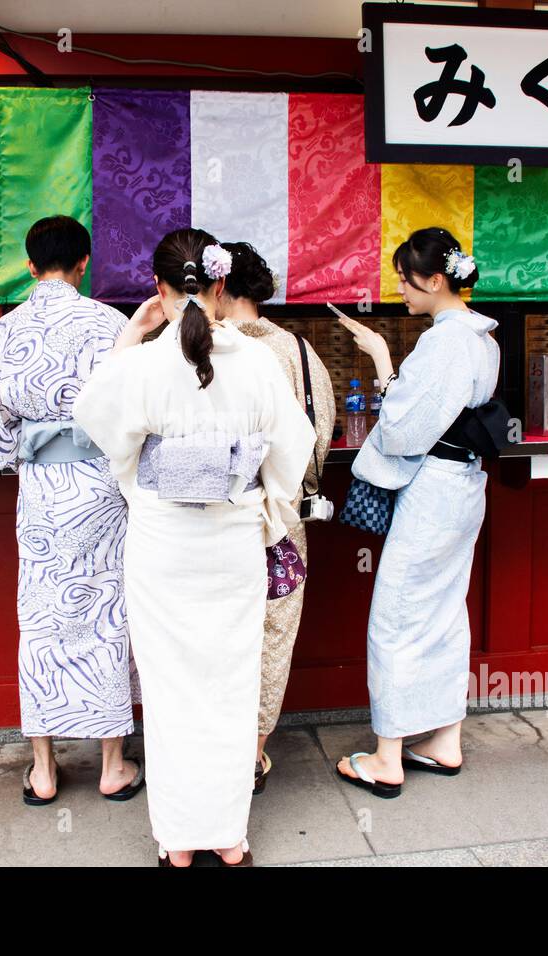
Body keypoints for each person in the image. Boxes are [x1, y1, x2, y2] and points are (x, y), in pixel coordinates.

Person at [74, 228, 315, 866]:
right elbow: (291, 457)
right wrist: (263, 509)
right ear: (219, 284)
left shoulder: (145, 365)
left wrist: (133, 332)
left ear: (160, 289)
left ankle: (177, 841)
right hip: (232, 543)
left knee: (171, 689)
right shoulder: (258, 363)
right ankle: (229, 837)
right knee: (231, 686)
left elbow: (99, 426)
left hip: (162, 547)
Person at [0, 216, 143, 805]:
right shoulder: (112, 325)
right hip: (103, 489)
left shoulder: (2, 334)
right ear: (84, 262)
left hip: (42, 492)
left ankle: (43, 771)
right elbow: (137, 414)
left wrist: (28, 451)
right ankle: (112, 765)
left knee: (41, 621)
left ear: (31, 264)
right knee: (107, 615)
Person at [332, 227, 499, 797]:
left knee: (398, 614)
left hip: (433, 492)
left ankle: (386, 756)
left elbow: (403, 429)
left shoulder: (445, 342)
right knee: (447, 610)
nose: (399, 287)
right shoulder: (484, 339)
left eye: (405, 278)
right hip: (465, 485)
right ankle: (445, 739)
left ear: (435, 280)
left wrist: (381, 360)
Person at [215, 241, 335, 794]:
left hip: (215, 522)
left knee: (218, 639)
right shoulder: (301, 353)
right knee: (272, 636)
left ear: (220, 287)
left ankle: (210, 748)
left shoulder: (205, 350)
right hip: (283, 523)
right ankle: (253, 755)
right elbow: (320, 442)